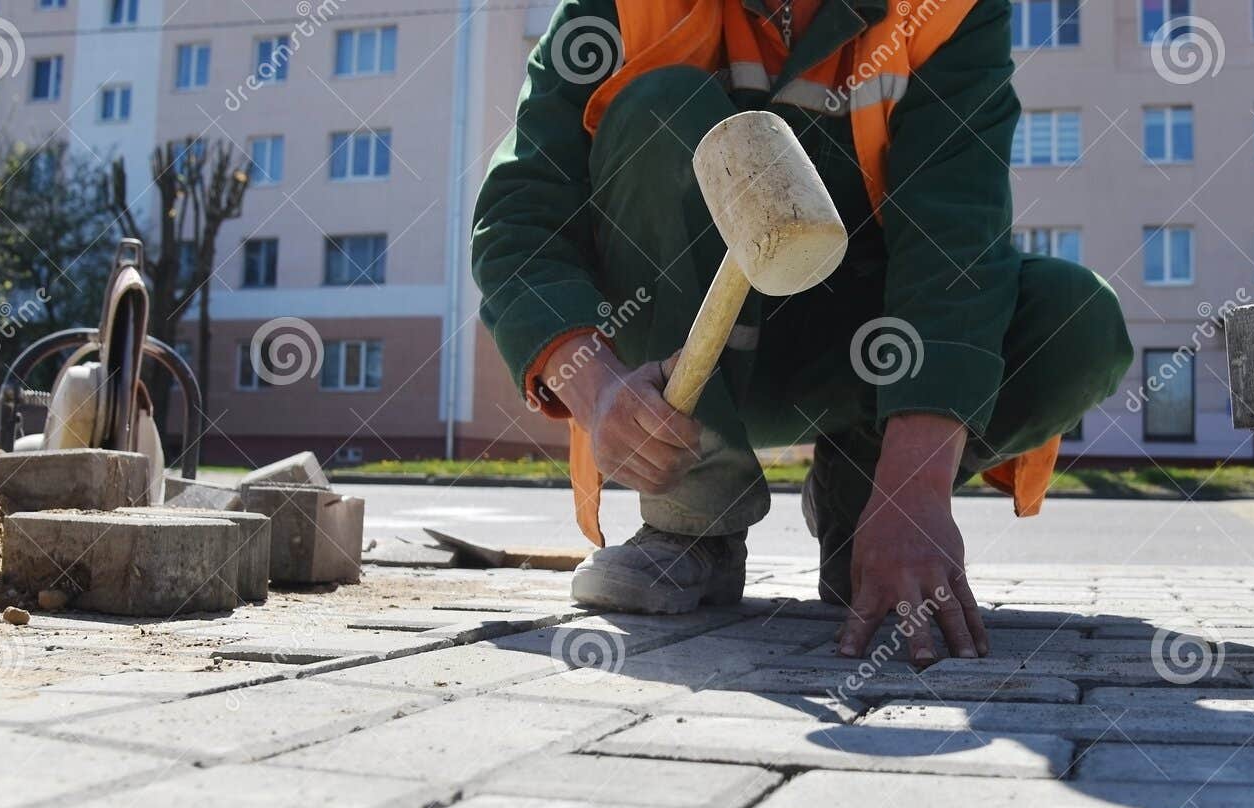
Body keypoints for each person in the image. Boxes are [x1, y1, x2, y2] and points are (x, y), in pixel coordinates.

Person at [471, 0, 1133, 664]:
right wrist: (595, 387)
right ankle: (694, 522)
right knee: (659, 107)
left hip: (866, 359)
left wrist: (915, 484)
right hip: (687, 361)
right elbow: (521, 214)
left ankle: (863, 504)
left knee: (1077, 324)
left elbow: (954, 239)